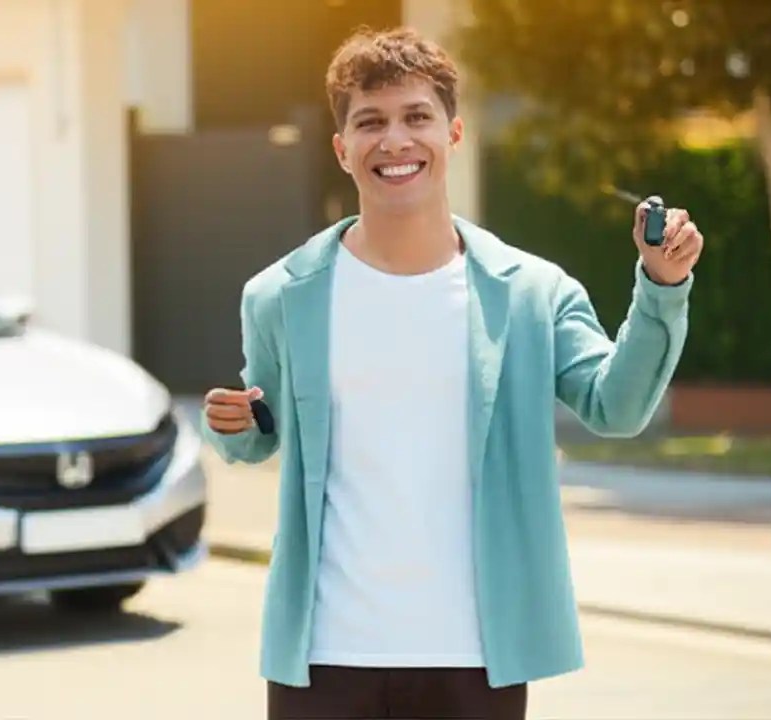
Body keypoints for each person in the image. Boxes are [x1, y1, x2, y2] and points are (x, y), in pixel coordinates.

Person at [200, 25, 703, 720]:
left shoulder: (532, 291)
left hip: (475, 657)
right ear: (342, 149)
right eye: (370, 122)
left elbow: (615, 407)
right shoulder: (281, 295)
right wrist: (233, 425)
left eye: (417, 118)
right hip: (323, 655)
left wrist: (661, 287)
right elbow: (261, 435)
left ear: (454, 133)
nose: (395, 141)